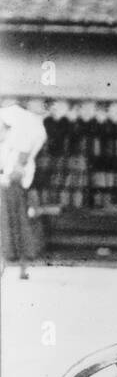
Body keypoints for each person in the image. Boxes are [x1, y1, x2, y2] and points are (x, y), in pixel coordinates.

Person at [0, 103, 48, 278]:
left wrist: (6, 174)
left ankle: (22, 268)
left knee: (19, 229)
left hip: (13, 193)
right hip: (3, 190)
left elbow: (18, 174)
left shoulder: (20, 151)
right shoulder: (4, 149)